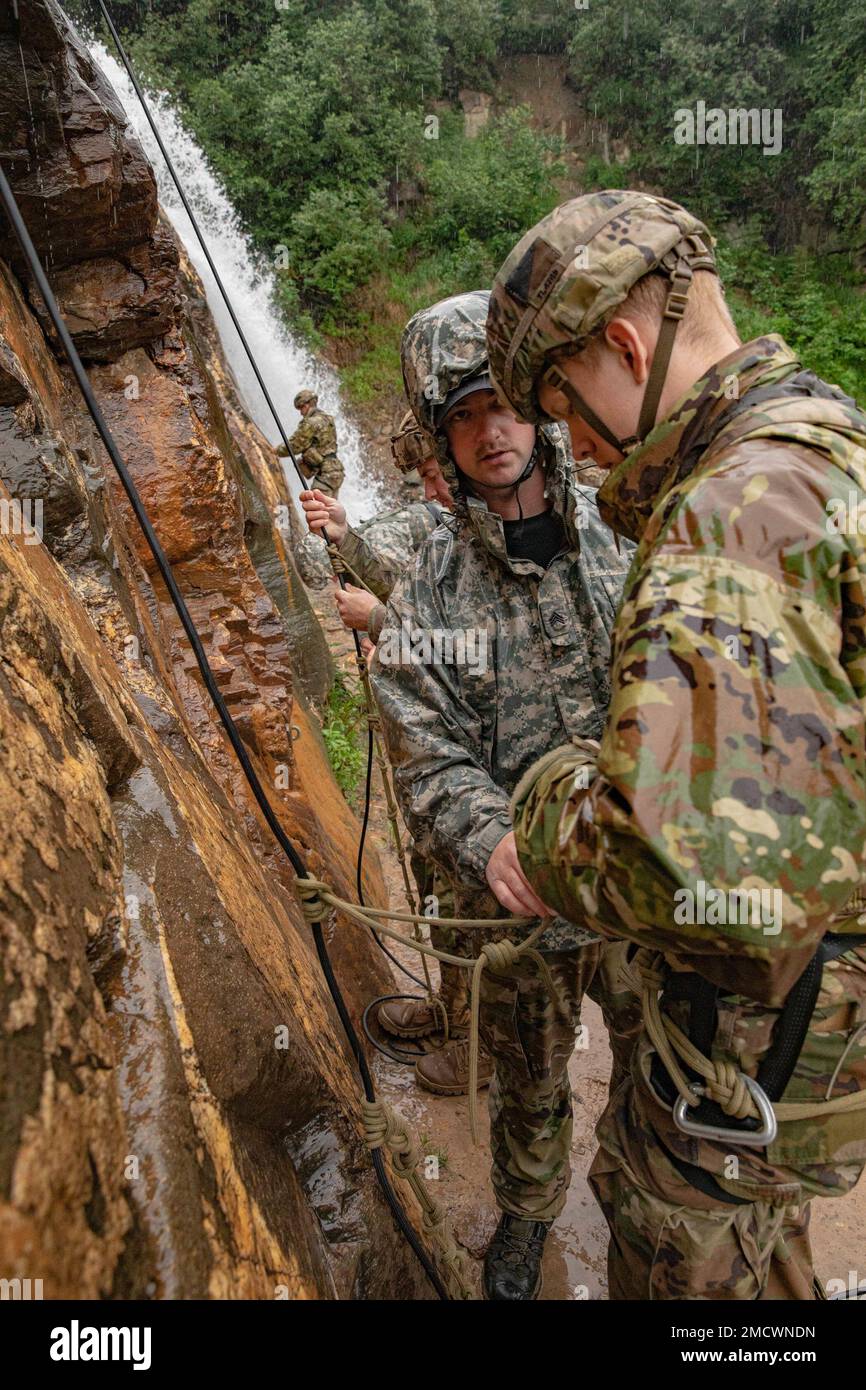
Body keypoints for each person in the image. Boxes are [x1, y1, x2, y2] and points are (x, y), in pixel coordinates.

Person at [487, 189, 866, 1299]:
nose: (576, 445)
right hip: (811, 1035)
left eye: (564, 408)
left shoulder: (730, 509)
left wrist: (553, 796)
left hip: (744, 1064)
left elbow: (683, 862)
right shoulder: (825, 442)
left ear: (620, 343)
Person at [370, 289, 641, 1299]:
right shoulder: (427, 587)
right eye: (462, 417)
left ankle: (641, 1212)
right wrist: (487, 839)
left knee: (658, 1056)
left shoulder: (620, 536)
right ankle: (528, 1216)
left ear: (539, 404)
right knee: (530, 1082)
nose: (489, 433)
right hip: (518, 908)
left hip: (636, 891)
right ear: (441, 439)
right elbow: (424, 746)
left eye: (501, 405)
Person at [299, 419, 494, 1094]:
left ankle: (482, 1049)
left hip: (481, 771)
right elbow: (413, 594)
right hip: (438, 760)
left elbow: (477, 650)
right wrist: (344, 535)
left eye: (442, 474)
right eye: (428, 477)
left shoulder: (506, 533)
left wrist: (380, 625)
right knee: (440, 892)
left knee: (479, 908)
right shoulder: (452, 524)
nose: (436, 489)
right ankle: (452, 1011)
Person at [278, 388, 344, 497]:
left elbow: (295, 446)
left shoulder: (310, 422)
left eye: (300, 408)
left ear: (306, 405)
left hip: (325, 475)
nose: (301, 413)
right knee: (331, 510)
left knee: (319, 510)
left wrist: (276, 451)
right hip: (336, 471)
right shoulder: (328, 419)